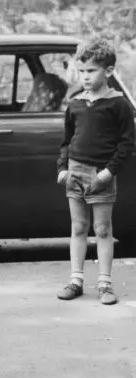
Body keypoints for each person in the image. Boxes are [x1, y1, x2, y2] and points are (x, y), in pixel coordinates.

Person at [56, 38, 135, 306]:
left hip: (101, 174)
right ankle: (75, 280)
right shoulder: (76, 103)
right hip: (75, 172)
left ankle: (104, 284)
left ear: (109, 71)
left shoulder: (118, 104)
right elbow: (67, 141)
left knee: (102, 229)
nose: (85, 77)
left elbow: (126, 145)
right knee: (78, 227)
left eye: (91, 71)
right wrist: (63, 168)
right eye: (82, 71)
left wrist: (108, 173)